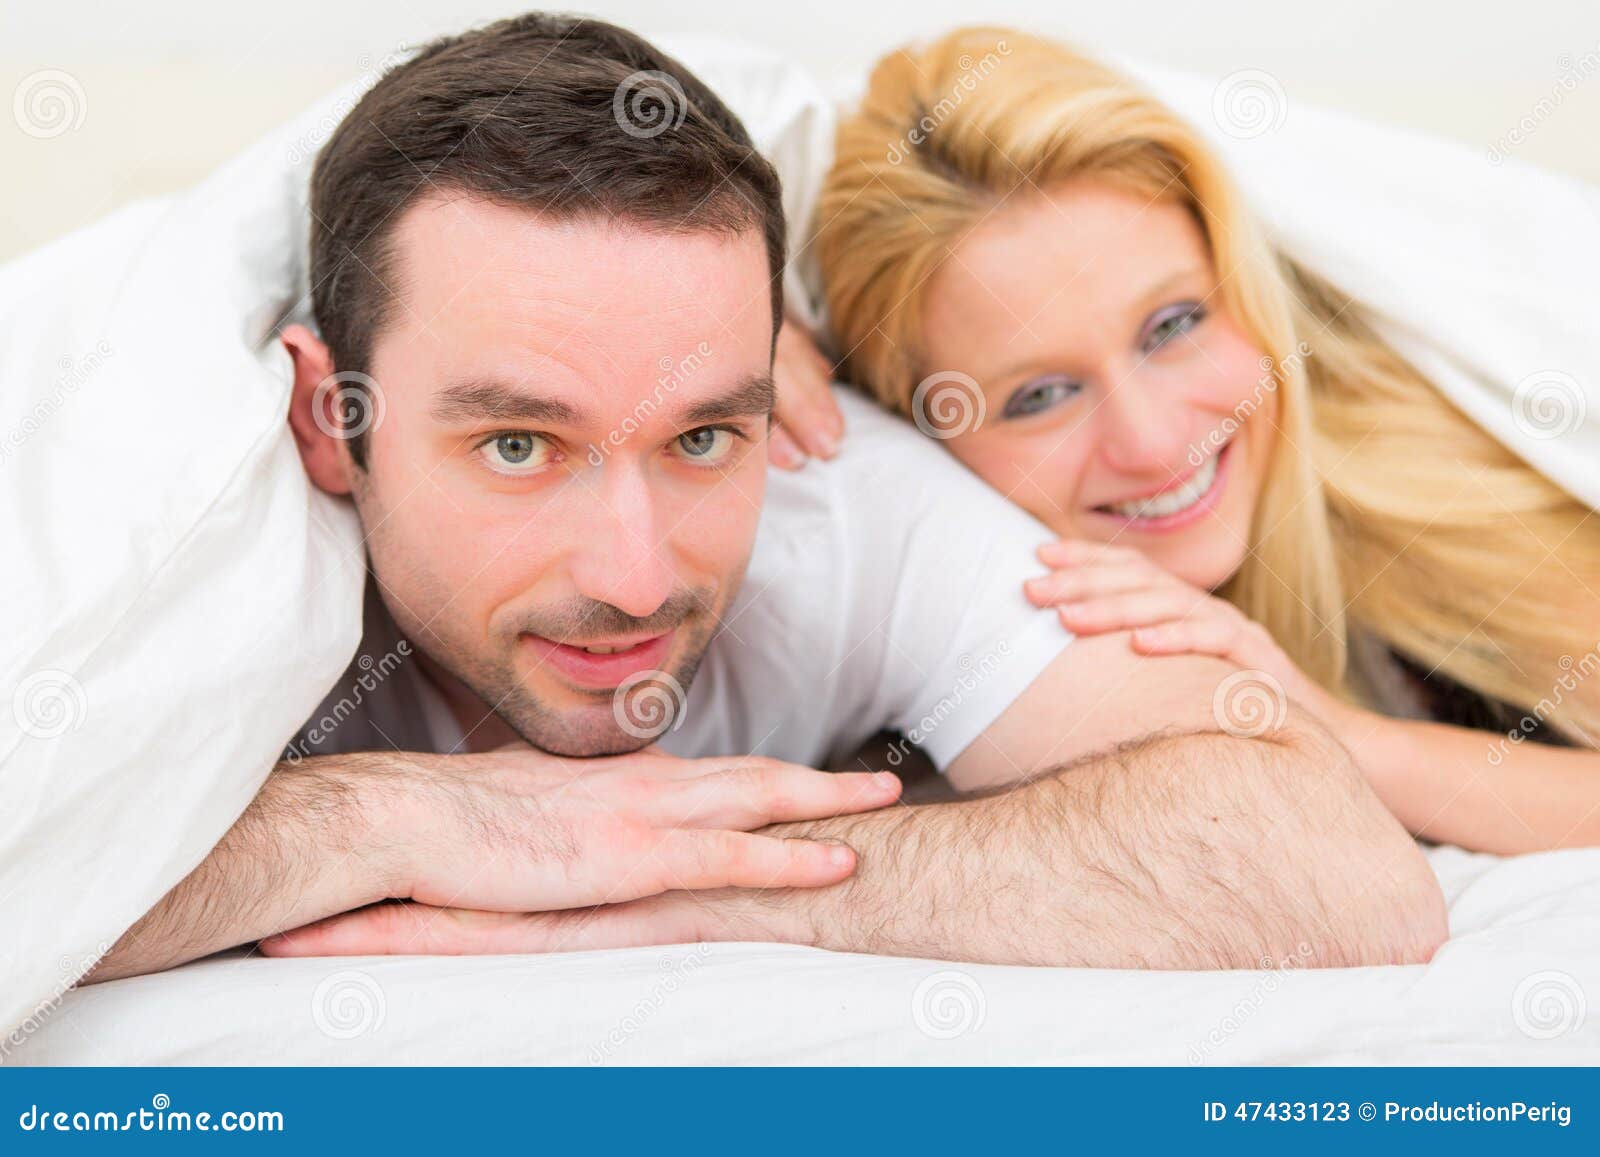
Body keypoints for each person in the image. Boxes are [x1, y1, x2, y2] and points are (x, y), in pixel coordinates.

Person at [90, 14, 1443, 982]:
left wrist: (703, 877)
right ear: (334, 422)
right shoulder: (197, 541)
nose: (633, 575)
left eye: (699, 439)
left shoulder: (837, 492)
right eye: (518, 445)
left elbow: (1339, 867)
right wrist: (422, 817)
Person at [774, 25, 1600, 855]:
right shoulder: (946, 677)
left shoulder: (1449, 475)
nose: (1154, 441)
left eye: (1173, 325)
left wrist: (1345, 736)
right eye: (1040, 396)